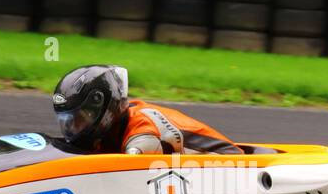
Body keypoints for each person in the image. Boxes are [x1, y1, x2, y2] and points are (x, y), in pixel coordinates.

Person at [52, 64, 241, 154]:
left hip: (232, 171)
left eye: (79, 119)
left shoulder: (141, 138)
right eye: (67, 121)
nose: (72, 128)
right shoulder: (112, 128)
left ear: (103, 111)